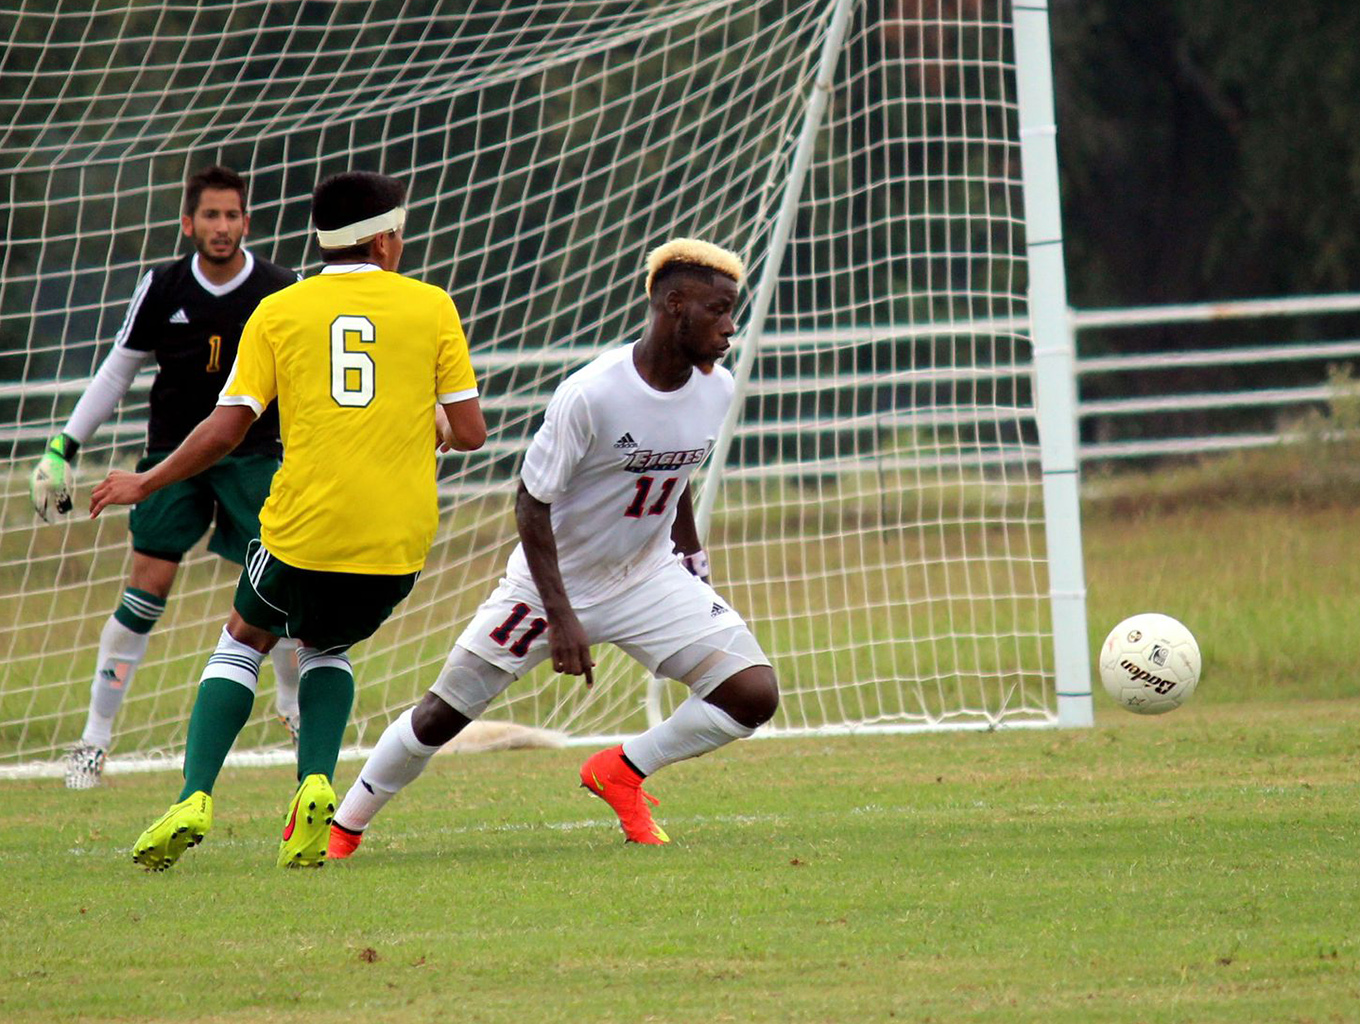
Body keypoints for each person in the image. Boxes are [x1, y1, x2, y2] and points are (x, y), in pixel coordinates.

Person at [326, 238, 779, 858]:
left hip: (647, 578)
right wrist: (562, 616)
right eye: (720, 310)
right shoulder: (591, 393)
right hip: (547, 588)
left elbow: (676, 478)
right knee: (442, 714)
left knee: (751, 695)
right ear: (675, 306)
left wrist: (694, 568)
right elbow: (530, 504)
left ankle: (622, 770)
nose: (730, 327)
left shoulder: (716, 388)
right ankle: (343, 828)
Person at [90, 170, 487, 870]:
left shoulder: (278, 310)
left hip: (305, 529)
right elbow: (471, 430)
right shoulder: (432, 307)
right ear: (383, 240)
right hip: (397, 542)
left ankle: (194, 797)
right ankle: (313, 787)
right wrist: (421, 424)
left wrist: (146, 479)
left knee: (243, 639)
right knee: (326, 648)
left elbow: (226, 427)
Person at [30, 165, 302, 789]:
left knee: (284, 590)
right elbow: (117, 372)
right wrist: (63, 448)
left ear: (246, 222)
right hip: (171, 460)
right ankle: (93, 745)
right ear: (189, 223)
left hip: (254, 457)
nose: (222, 227)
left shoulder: (280, 288)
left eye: (232, 215)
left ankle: (292, 711)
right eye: (210, 215)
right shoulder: (163, 286)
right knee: (143, 596)